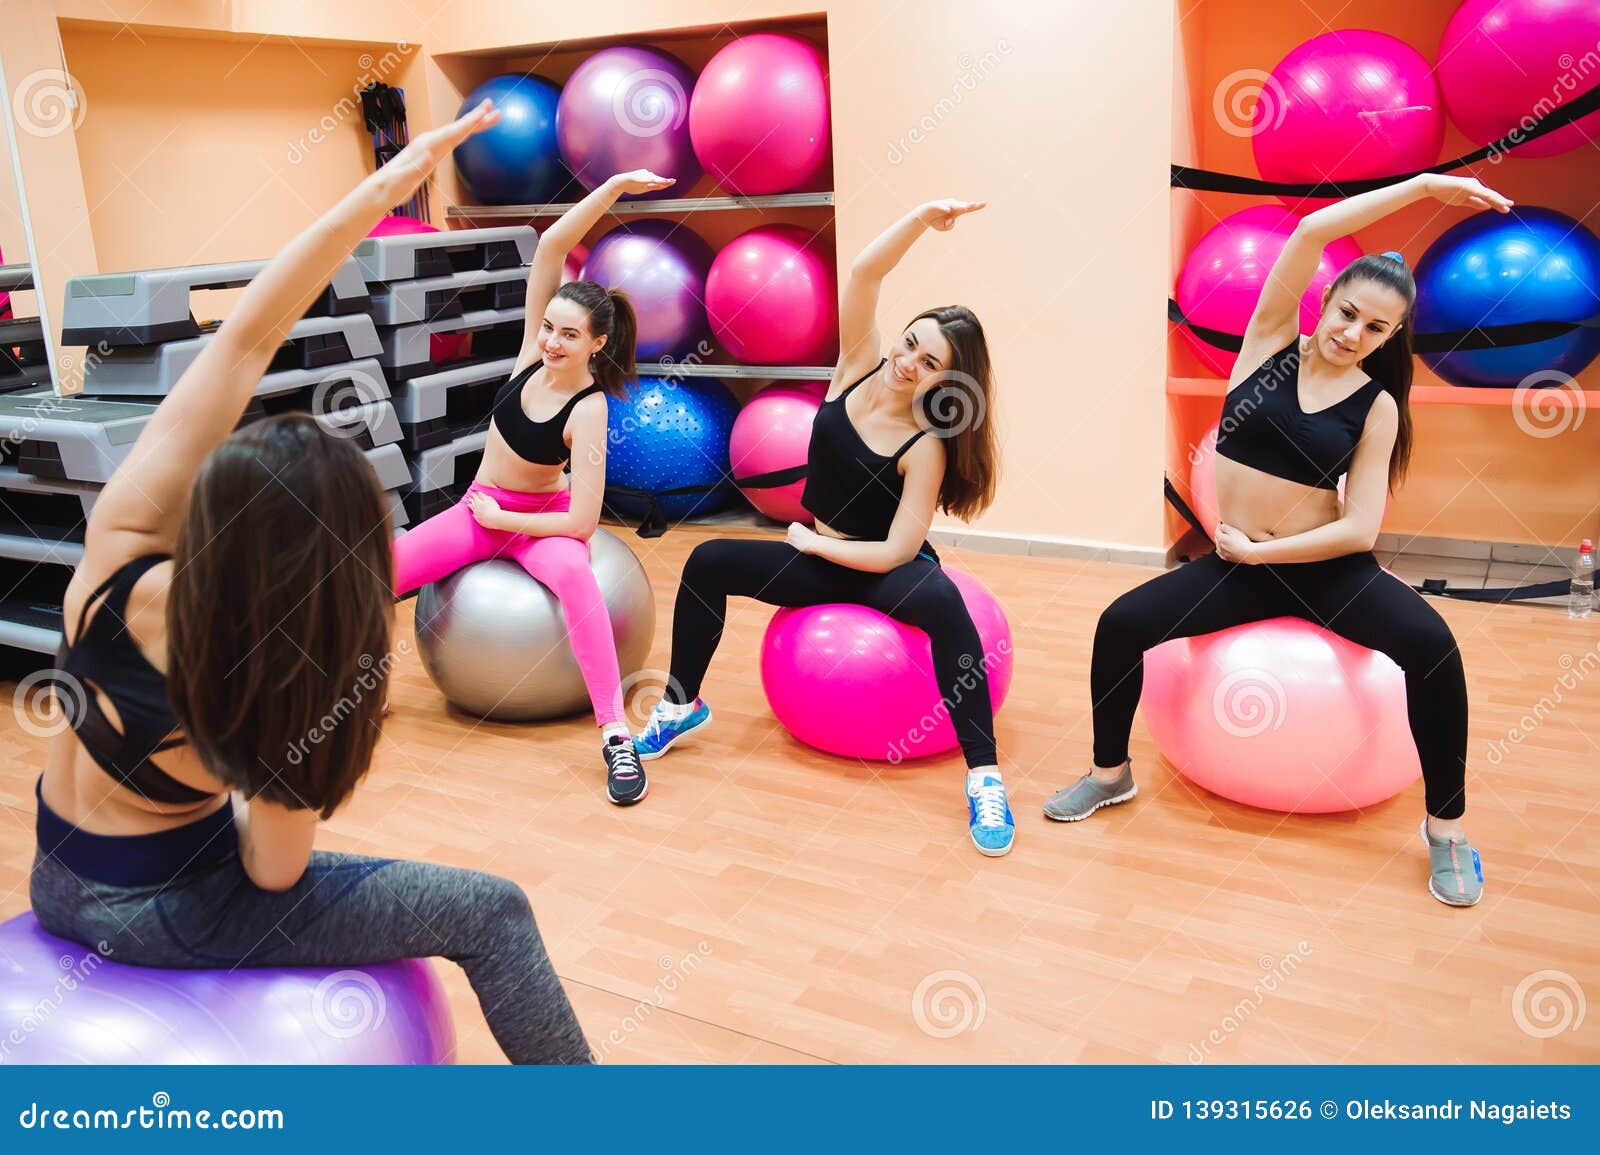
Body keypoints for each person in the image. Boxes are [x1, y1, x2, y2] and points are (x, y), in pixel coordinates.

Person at [30, 99, 591, 1063]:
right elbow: (274, 871)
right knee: (494, 914)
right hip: (162, 913)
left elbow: (244, 340)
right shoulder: (279, 681)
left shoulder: (115, 553)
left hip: (57, 874)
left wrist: (384, 184)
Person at [1046, 173, 1515, 907]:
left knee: (1436, 650)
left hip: (1319, 569)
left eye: (1374, 329)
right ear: (1324, 300)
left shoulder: (1378, 405)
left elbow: (1359, 527)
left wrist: (1259, 553)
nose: (1351, 333)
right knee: (1119, 625)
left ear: (1390, 339)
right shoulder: (1267, 345)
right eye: (1348, 312)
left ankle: (1447, 831)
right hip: (1242, 566)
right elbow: (1309, 233)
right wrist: (1422, 184)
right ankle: (1112, 775)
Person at [633, 200, 1013, 855]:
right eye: (912, 342)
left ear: (945, 380)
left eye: (929, 363)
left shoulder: (927, 442)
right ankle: (681, 703)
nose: (908, 361)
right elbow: (865, 273)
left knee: (946, 602)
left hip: (882, 570)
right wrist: (920, 218)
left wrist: (815, 541)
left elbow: (898, 548)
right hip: (817, 560)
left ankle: (985, 776)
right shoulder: (858, 362)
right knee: (706, 563)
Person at [393, 169, 673, 806]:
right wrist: (615, 188)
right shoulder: (529, 357)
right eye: (549, 327)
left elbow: (581, 522)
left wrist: (503, 523)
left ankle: (615, 737)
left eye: (570, 335)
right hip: (480, 510)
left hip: (534, 519)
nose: (552, 341)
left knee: (577, 579)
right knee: (379, 569)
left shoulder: (591, 408)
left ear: (598, 344)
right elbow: (550, 248)